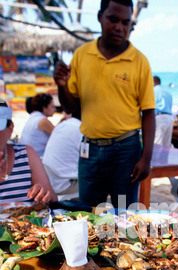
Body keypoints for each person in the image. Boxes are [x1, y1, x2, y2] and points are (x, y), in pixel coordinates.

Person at [53, 0, 155, 210]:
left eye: (126, 22)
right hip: (89, 150)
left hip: (126, 150)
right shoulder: (82, 55)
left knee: (124, 216)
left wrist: (146, 158)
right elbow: (71, 106)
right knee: (87, 214)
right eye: (113, 19)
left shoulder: (139, 61)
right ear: (100, 16)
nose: (120, 27)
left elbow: (149, 112)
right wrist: (62, 86)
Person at [0, 99, 57, 204]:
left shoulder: (26, 153)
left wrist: (42, 192)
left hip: (26, 219)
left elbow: (53, 198)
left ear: (10, 129)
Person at [42, 109, 82, 200]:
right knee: (106, 181)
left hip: (51, 180)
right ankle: (117, 211)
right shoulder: (79, 128)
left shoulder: (62, 125)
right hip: (65, 184)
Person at [20, 93, 56, 159]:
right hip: (38, 159)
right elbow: (60, 136)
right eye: (52, 107)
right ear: (44, 108)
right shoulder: (43, 121)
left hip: (27, 158)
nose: (55, 109)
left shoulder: (33, 117)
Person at [153, 76, 174, 147]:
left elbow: (151, 107)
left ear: (154, 82)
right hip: (169, 118)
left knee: (157, 144)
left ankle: (155, 159)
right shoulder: (167, 91)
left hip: (160, 118)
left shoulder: (154, 90)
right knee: (166, 146)